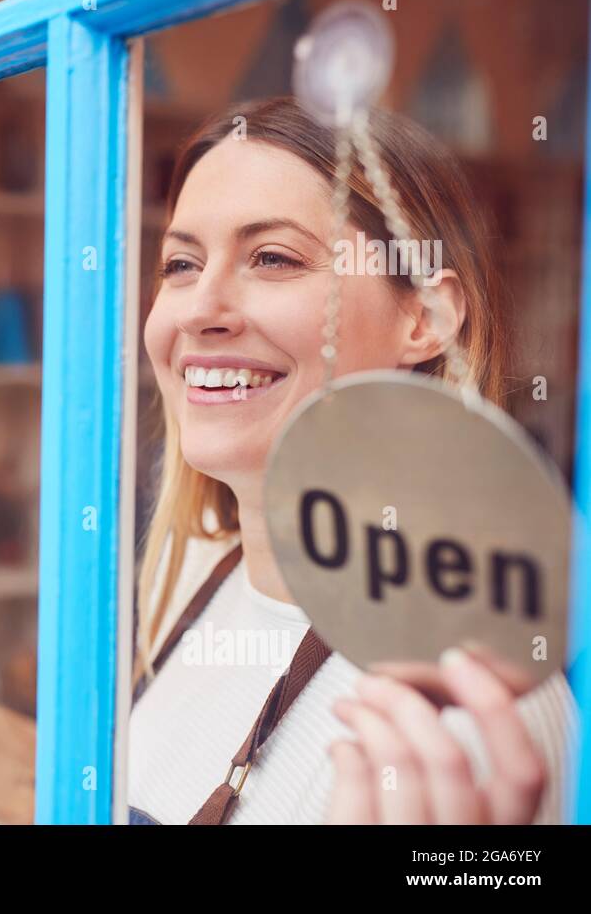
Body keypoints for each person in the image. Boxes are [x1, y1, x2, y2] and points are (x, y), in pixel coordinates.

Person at [128, 96, 577, 825]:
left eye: (272, 257)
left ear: (424, 319)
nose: (199, 309)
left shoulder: (467, 711)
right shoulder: (182, 573)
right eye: (180, 263)